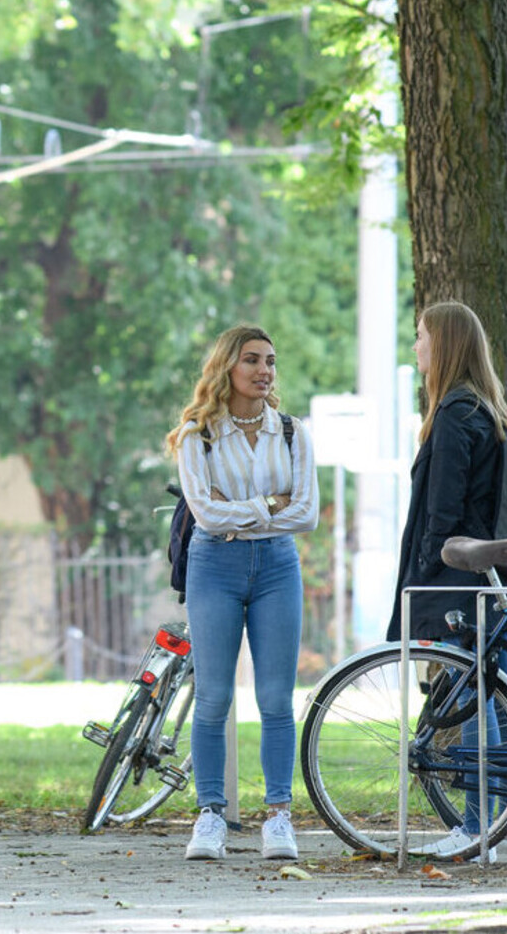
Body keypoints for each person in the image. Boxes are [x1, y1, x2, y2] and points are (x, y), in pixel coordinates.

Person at [166, 325, 317, 862]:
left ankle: (279, 816)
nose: (264, 371)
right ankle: (210, 815)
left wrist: (247, 512)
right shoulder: (196, 434)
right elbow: (205, 513)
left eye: (271, 361)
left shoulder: (294, 433)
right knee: (213, 698)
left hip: (278, 567)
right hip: (215, 566)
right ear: (226, 366)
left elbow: (307, 513)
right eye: (252, 360)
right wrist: (268, 506)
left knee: (276, 699)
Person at [385, 299, 507, 862]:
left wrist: (420, 576)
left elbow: (441, 516)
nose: (416, 346)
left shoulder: (452, 414)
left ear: (442, 344)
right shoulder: (486, 409)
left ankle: (477, 827)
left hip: (459, 576)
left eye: (421, 336)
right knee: (504, 698)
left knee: (476, 700)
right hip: (493, 581)